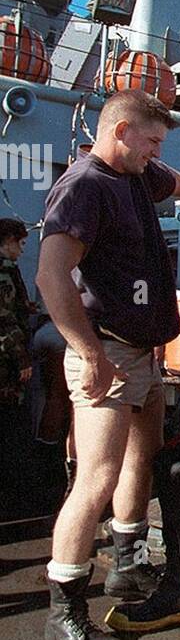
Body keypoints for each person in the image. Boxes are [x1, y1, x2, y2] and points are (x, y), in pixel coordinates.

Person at [36, 89, 180, 640]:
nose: (156, 154)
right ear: (121, 131)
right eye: (150, 142)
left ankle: (127, 567)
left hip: (143, 353)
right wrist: (90, 353)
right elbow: (53, 277)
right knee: (95, 478)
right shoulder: (86, 187)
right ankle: (66, 612)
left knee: (140, 462)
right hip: (107, 351)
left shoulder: (136, 176)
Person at [0, 217, 35, 518]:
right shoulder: (4, 273)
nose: (22, 250)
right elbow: (4, 322)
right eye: (20, 244)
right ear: (7, 241)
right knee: (10, 428)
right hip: (5, 365)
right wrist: (21, 358)